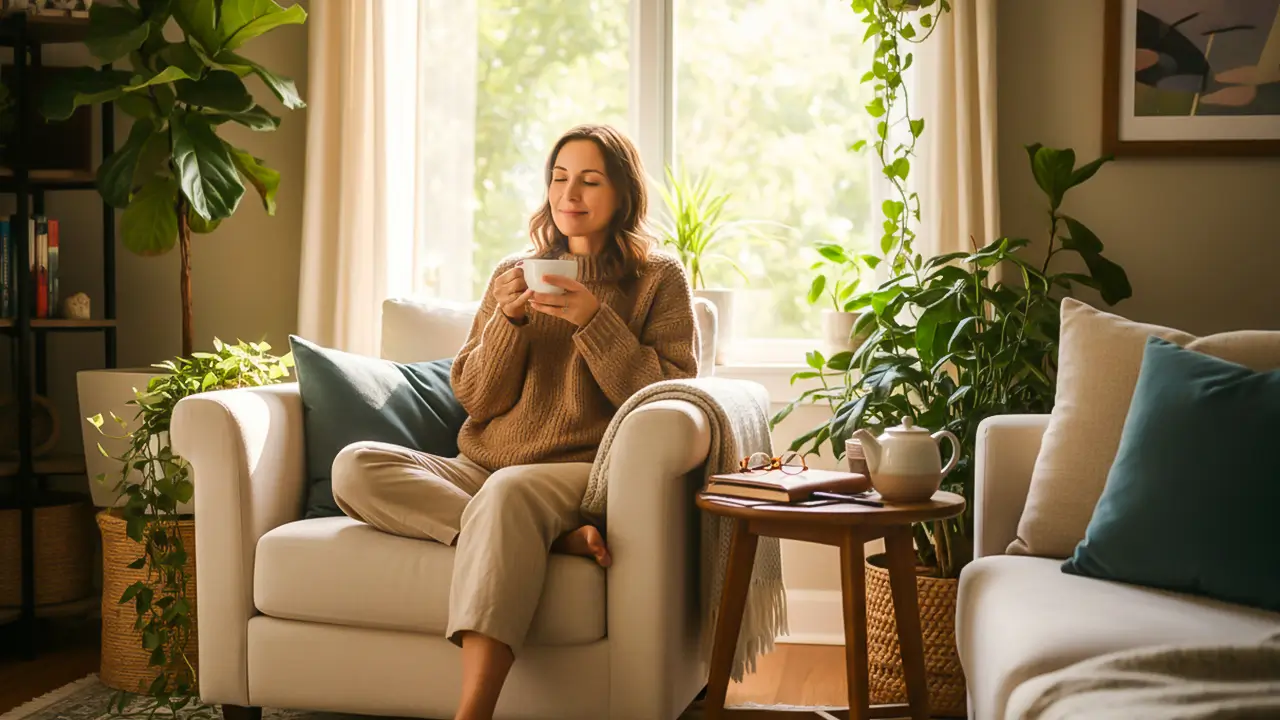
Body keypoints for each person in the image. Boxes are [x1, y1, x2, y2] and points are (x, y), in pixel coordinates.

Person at [329, 124, 700, 720]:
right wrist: (509, 324)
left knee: (509, 492)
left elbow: (670, 397)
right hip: (481, 467)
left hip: (581, 472)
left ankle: (472, 712)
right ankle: (553, 541)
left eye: (588, 180)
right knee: (355, 467)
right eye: (558, 178)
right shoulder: (514, 271)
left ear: (622, 194)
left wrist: (594, 321)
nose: (568, 193)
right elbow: (476, 398)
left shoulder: (658, 278)